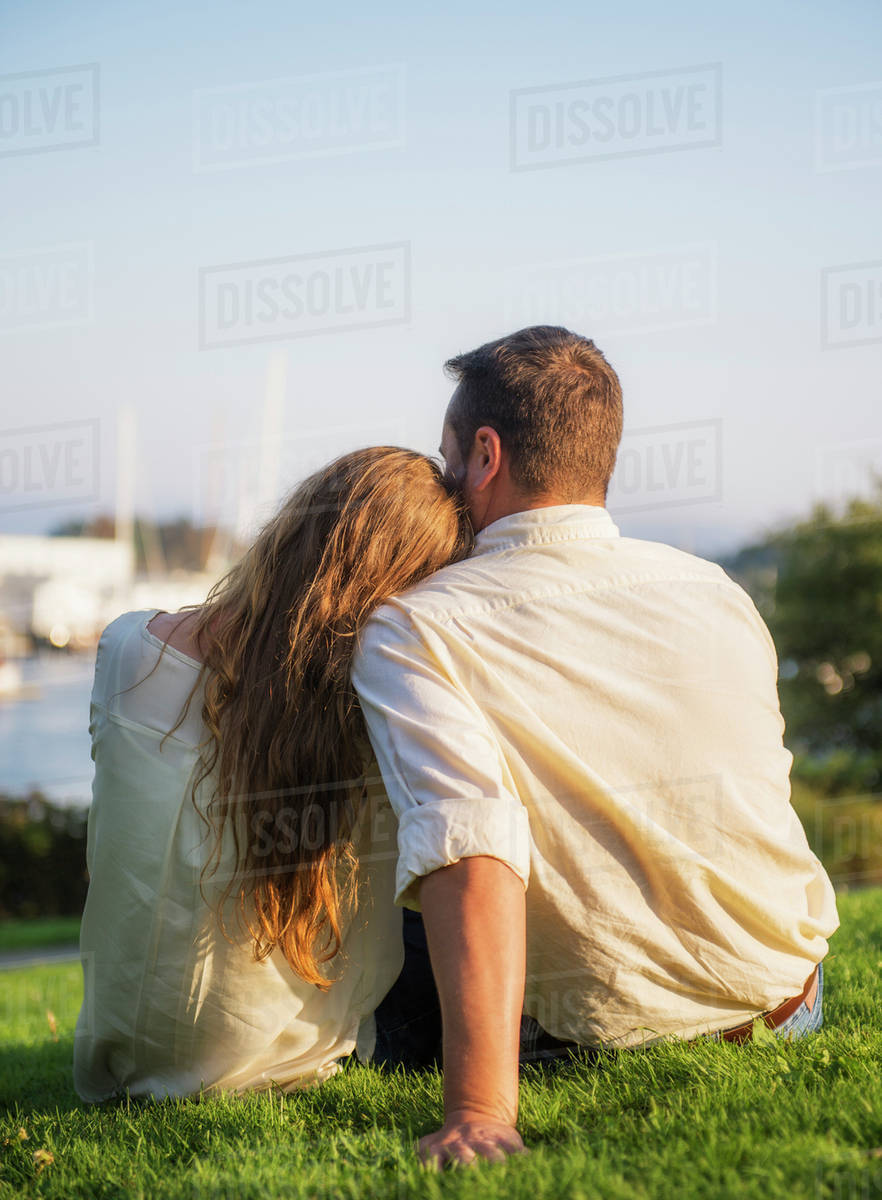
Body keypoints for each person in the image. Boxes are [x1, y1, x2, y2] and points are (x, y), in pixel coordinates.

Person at [350, 326, 839, 1167]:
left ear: (486, 455)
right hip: (784, 1001)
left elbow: (465, 843)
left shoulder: (415, 627)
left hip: (595, 1034)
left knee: (378, 892)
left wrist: (480, 1111)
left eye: (447, 458)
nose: (441, 482)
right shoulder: (717, 593)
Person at [73, 447, 472, 1102]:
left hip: (128, 1061)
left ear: (291, 528)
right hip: (299, 1065)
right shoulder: (383, 709)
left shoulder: (127, 650)